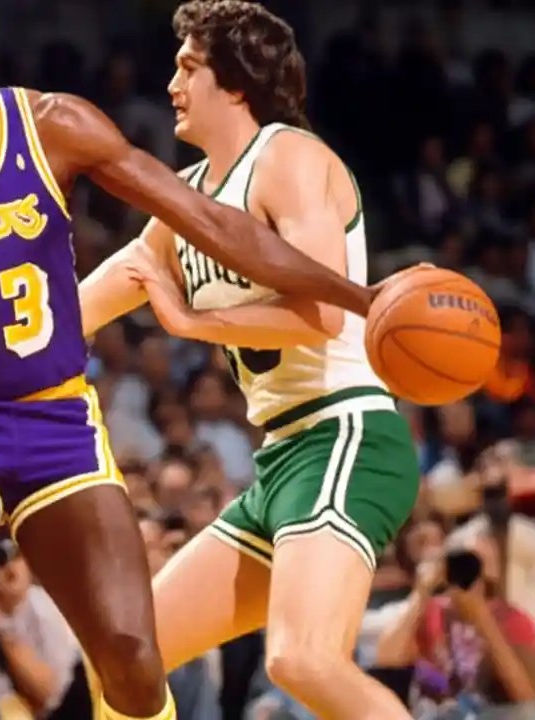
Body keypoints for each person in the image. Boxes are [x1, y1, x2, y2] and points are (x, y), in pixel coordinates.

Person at [0, 1, 396, 718]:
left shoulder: (55, 126)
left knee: (133, 655)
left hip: (60, 425)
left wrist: (363, 298)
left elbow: (213, 227)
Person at [80, 2, 420, 719]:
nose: (171, 82)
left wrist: (193, 322)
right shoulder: (191, 197)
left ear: (234, 82)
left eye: (188, 67)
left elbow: (322, 313)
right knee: (126, 658)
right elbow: (98, 297)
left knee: (302, 659)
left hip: (345, 436)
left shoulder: (290, 158)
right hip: (282, 458)